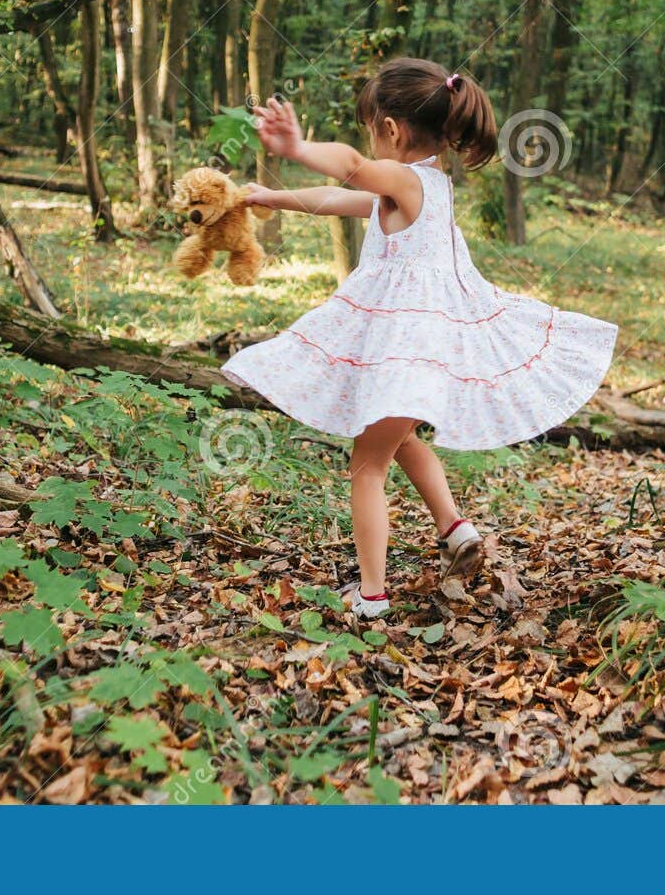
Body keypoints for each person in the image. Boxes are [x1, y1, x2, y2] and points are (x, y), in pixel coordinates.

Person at [223, 58, 618, 618]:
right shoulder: (428, 188)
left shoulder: (404, 180)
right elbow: (337, 199)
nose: (366, 140)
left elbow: (353, 169)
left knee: (367, 466)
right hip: (422, 354)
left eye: (369, 127)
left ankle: (372, 596)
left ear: (391, 130)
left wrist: (297, 147)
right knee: (399, 438)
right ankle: (456, 529)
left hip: (410, 352)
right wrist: (271, 195)